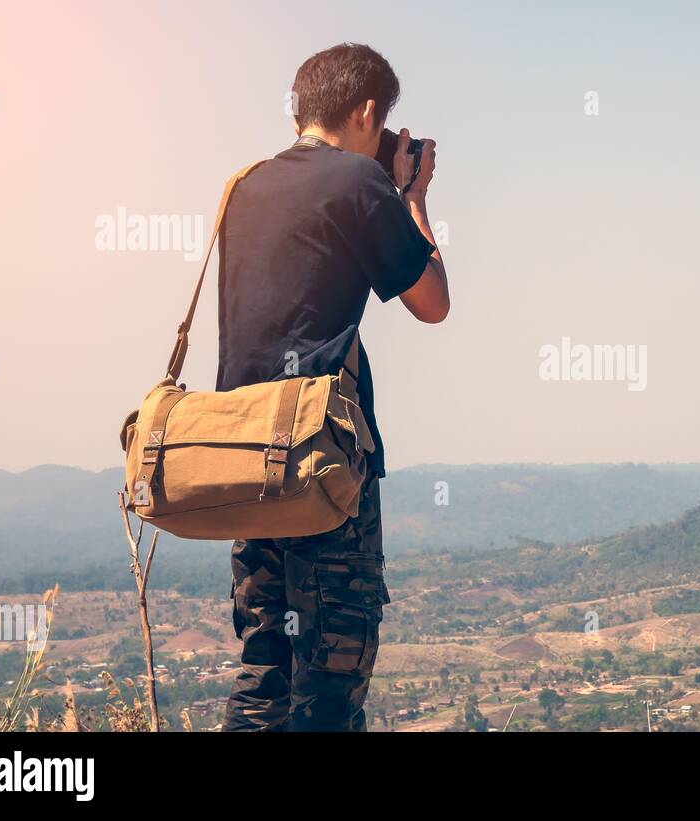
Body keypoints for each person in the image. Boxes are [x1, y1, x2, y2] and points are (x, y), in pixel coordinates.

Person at [217, 42, 449, 731]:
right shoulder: (358, 183)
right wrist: (411, 196)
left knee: (264, 673)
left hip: (245, 464)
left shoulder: (243, 186)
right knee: (331, 683)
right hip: (321, 465)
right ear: (368, 111)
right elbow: (432, 301)